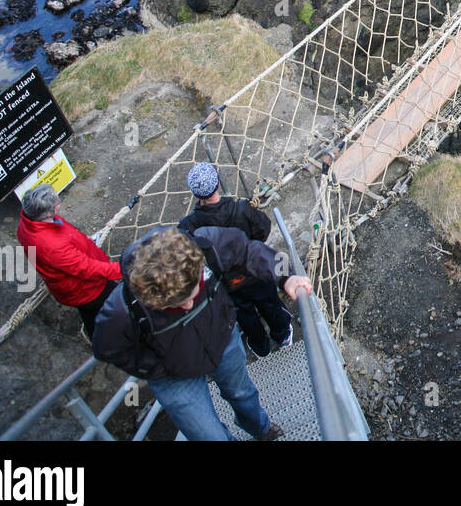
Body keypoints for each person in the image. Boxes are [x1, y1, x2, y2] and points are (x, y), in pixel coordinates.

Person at [92, 225, 313, 441]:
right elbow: (106, 348)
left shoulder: (205, 245)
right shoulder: (121, 310)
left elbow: (248, 251)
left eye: (193, 294)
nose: (188, 305)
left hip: (221, 339)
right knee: (207, 435)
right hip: (173, 375)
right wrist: (161, 367)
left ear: (199, 267)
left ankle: (262, 430)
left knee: (243, 394)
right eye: (176, 304)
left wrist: (286, 277)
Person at [179, 161, 292, 357]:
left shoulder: (189, 225)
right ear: (216, 184)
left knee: (243, 312)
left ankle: (260, 347)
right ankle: (282, 335)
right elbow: (263, 228)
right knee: (269, 302)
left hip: (226, 280)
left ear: (196, 193)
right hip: (255, 269)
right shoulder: (241, 208)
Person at [16, 184, 121, 339]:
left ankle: (98, 336)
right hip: (87, 289)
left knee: (90, 313)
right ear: (47, 214)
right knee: (112, 302)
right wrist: (123, 269)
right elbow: (87, 268)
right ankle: (108, 339)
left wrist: (84, 244)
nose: (59, 202)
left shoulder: (27, 225)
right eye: (56, 203)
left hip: (70, 287)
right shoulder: (52, 246)